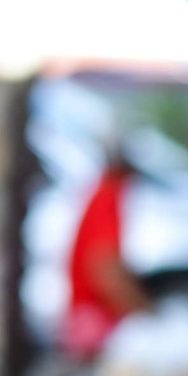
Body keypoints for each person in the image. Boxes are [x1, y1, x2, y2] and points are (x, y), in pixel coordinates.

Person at [63, 151, 149, 360]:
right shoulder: (109, 197)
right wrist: (144, 312)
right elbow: (105, 267)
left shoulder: (100, 192)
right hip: (92, 321)